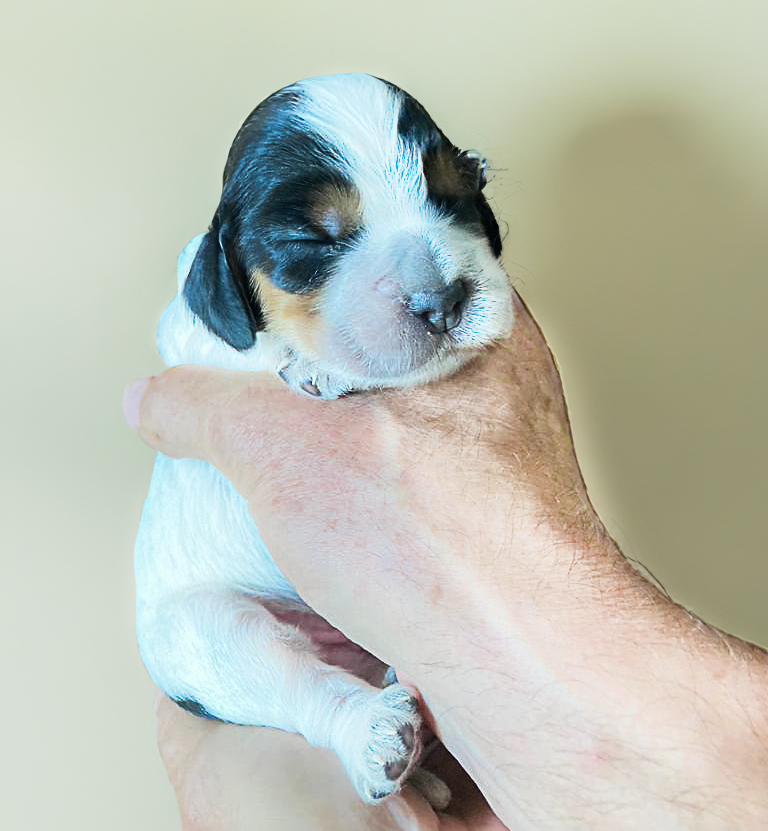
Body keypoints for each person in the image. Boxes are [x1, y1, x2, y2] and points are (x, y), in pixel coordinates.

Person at [124, 290, 768, 830]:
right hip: (240, 608)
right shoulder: (208, 312)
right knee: (192, 642)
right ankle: (340, 719)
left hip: (389, 648)